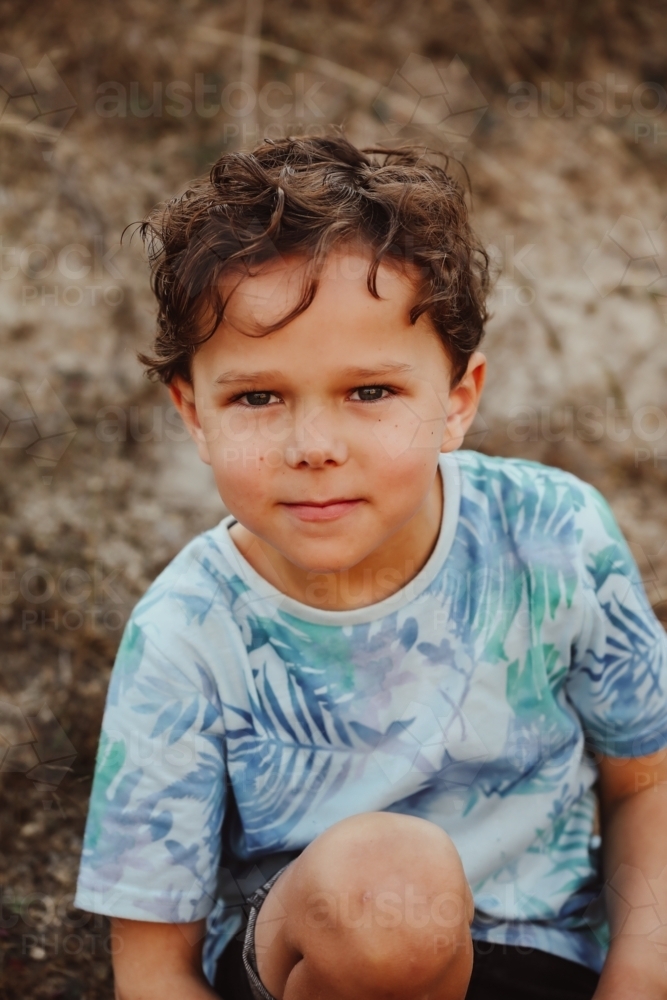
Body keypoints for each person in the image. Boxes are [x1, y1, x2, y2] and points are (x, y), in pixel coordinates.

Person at [75, 135, 667, 1000]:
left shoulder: (553, 535)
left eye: (370, 392)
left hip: (540, 962)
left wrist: (638, 981)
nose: (314, 447)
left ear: (456, 401)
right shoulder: (185, 633)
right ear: (193, 413)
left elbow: (646, 783)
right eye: (257, 397)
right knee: (391, 894)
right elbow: (152, 970)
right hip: (323, 963)